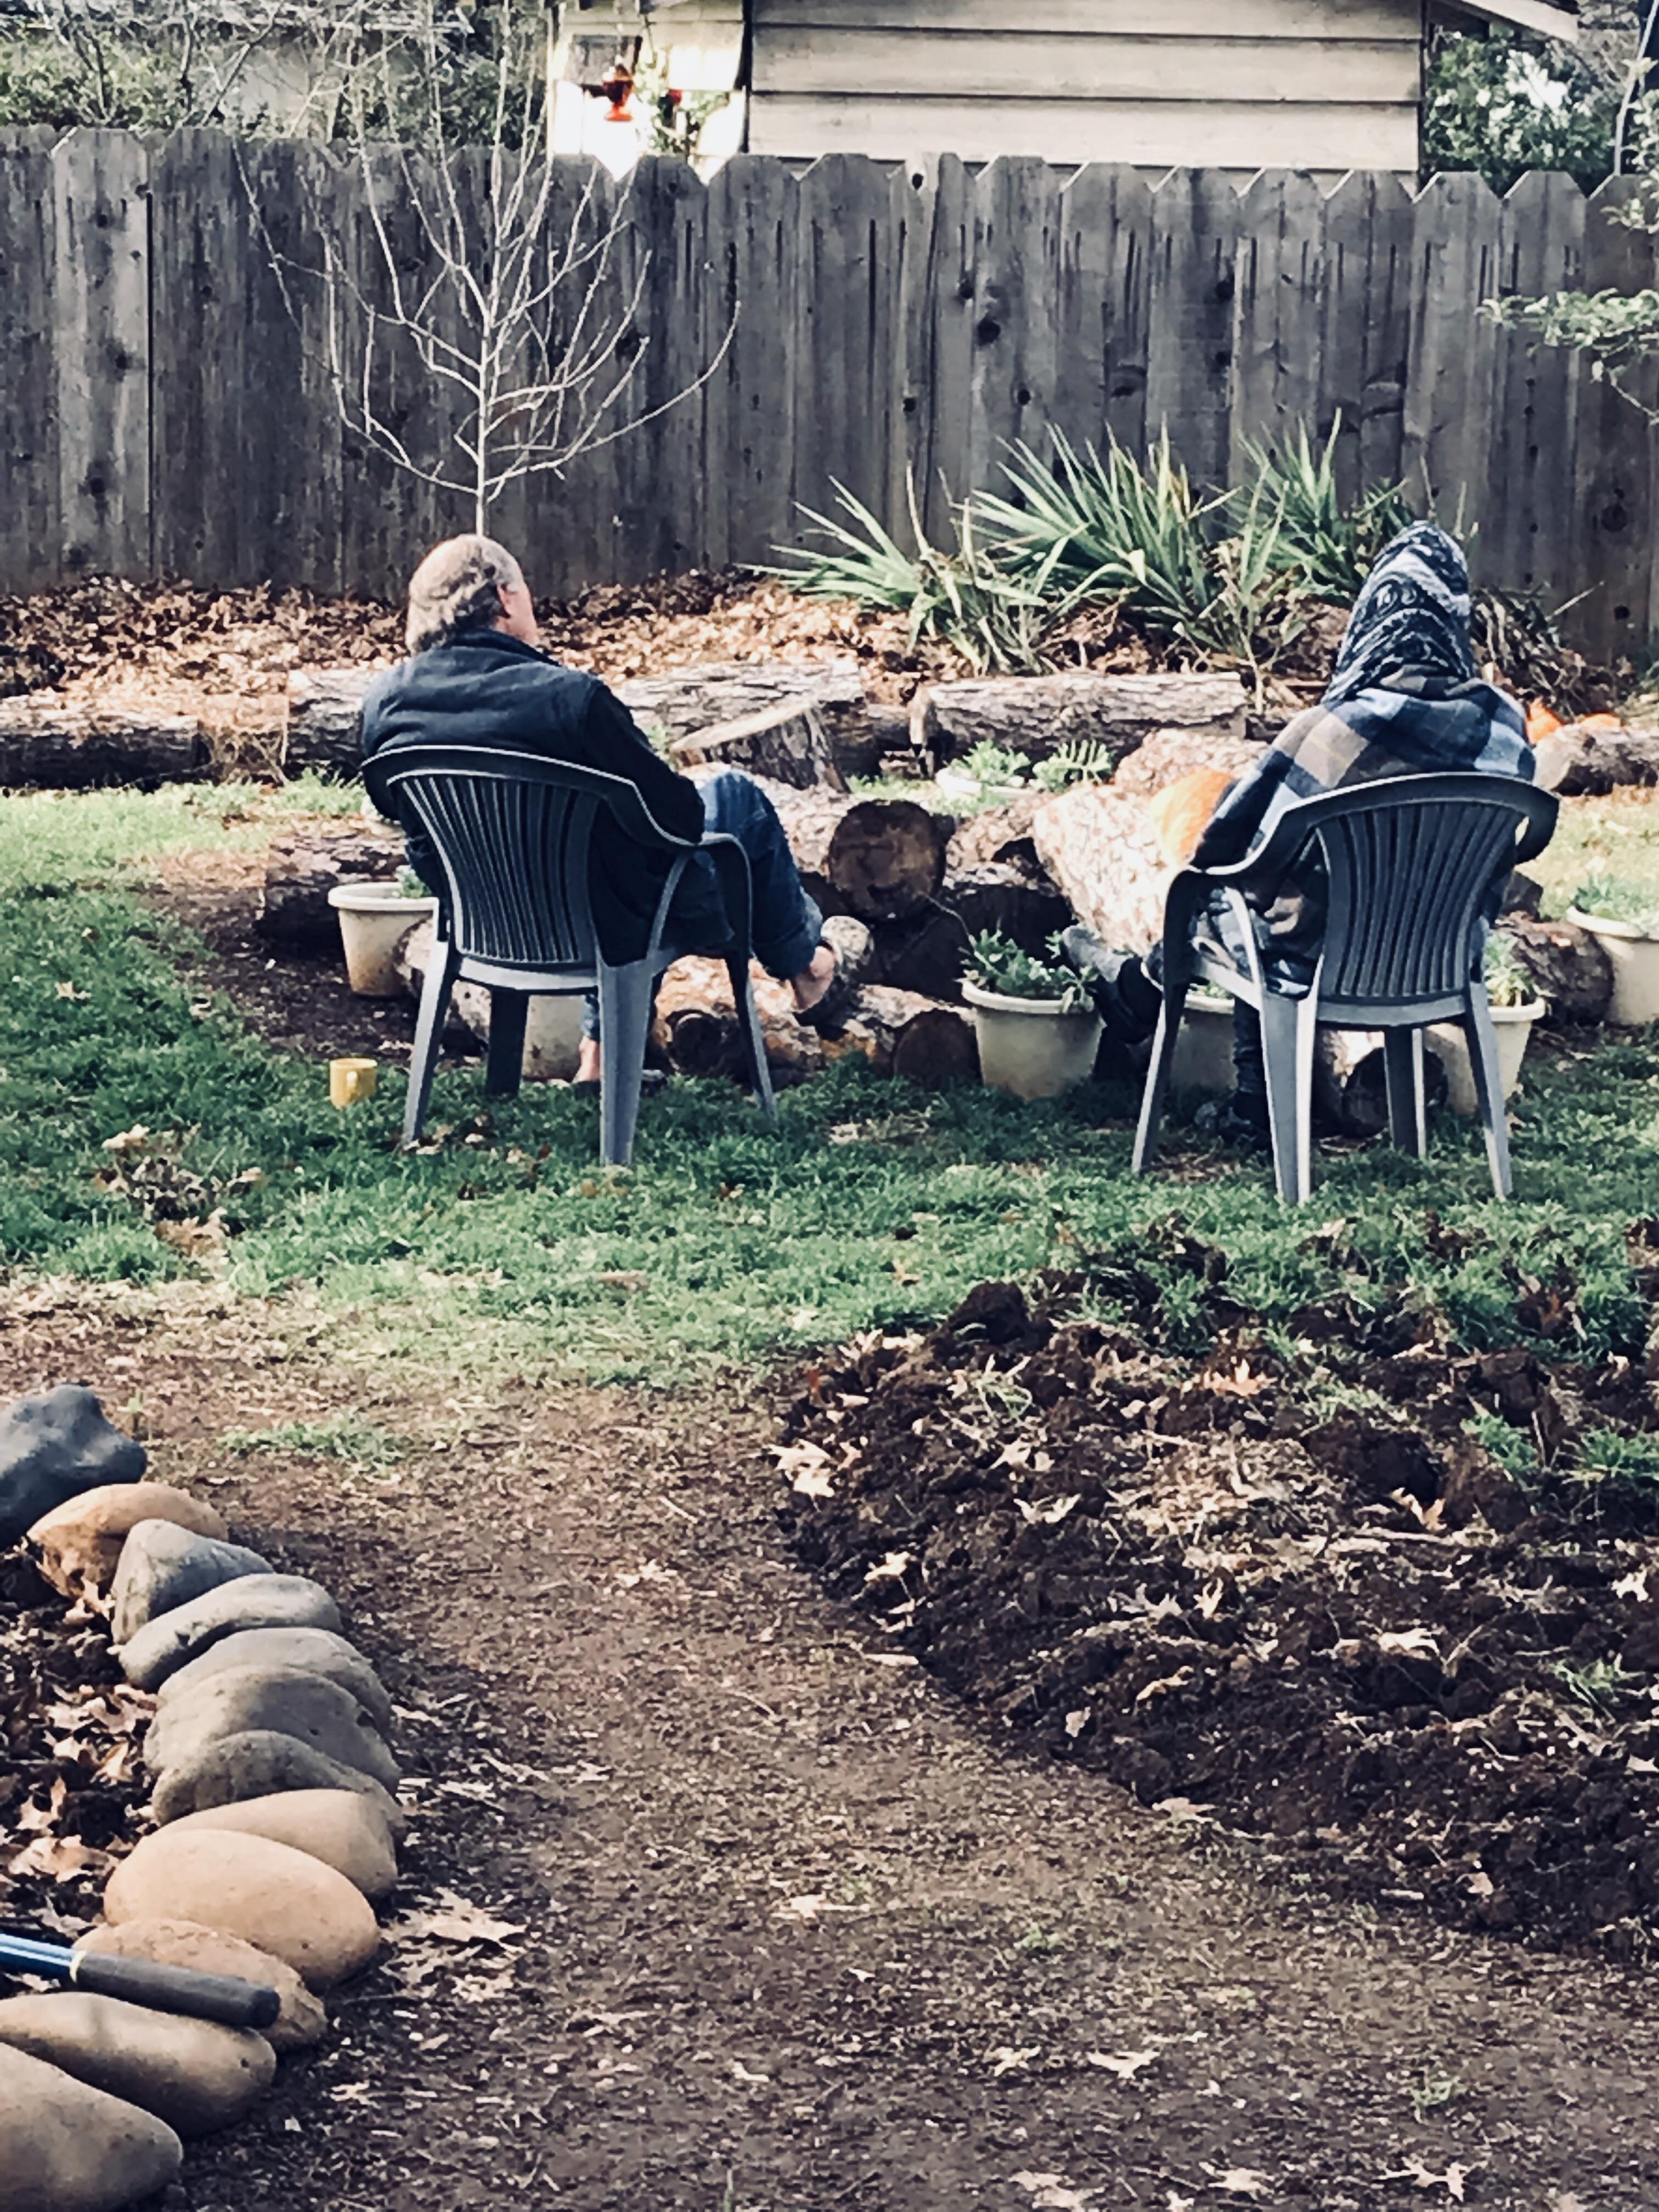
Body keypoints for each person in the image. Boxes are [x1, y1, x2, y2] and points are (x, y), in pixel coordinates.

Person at [1070, 525, 1536, 1144]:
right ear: (1455, 621)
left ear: (1372, 620)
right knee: (1267, 908)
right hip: (1442, 960)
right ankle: (1144, 997)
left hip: (1319, 959)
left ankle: (1198, 1051)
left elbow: (1232, 845)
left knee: (1235, 903)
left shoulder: (1332, 730)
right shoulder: (1506, 730)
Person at [360, 535, 839, 1086]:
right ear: (505, 598)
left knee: (606, 859)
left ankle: (600, 1056)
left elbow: (403, 820)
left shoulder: (384, 706)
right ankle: (808, 966)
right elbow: (678, 820)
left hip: (482, 923)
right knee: (732, 799)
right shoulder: (570, 700)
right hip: (603, 924)